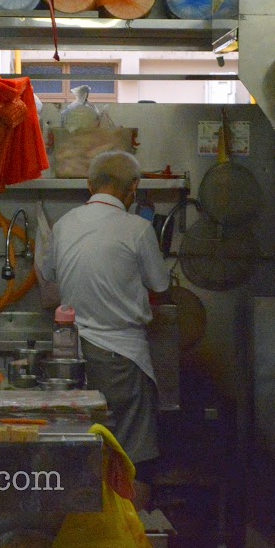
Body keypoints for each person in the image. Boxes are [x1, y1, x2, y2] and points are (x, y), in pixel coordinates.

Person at [46, 150, 171, 503]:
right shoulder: (137, 229)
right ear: (134, 188)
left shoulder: (64, 224)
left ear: (90, 185)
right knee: (134, 457)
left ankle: (86, 528)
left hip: (72, 355)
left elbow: (49, 275)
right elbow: (161, 286)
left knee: (84, 452)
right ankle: (128, 531)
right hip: (123, 358)